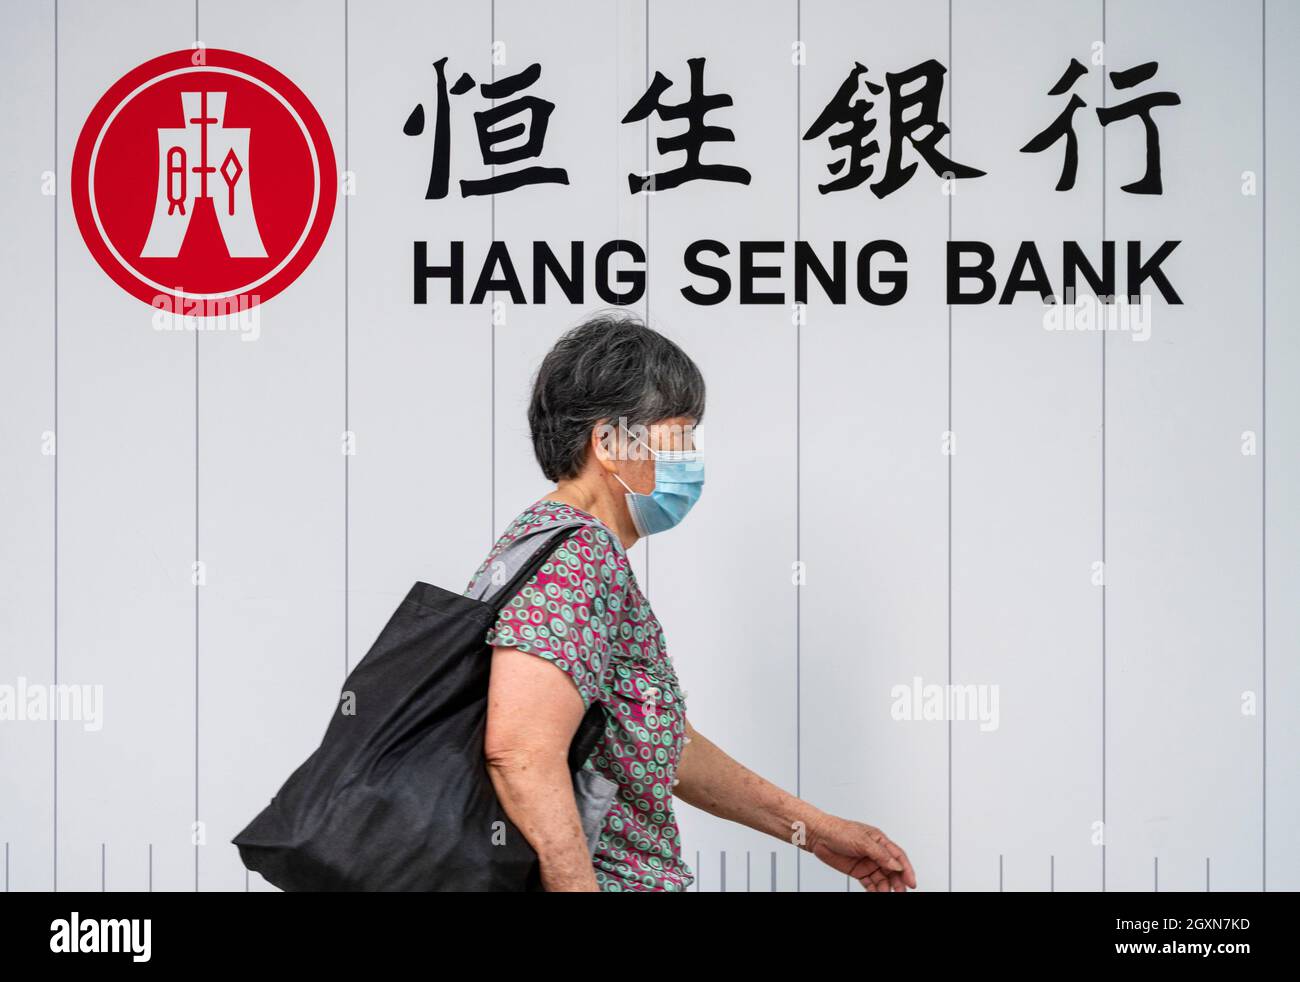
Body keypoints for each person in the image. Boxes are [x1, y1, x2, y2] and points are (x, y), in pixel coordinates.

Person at [468, 311, 918, 892]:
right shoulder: (576, 554)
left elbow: (655, 740)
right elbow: (521, 753)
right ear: (607, 442)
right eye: (678, 436)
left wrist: (818, 831)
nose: (691, 458)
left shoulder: (552, 545)